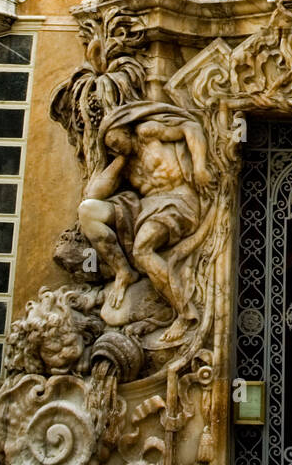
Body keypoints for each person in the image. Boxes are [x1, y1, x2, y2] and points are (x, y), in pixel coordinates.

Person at [78, 104, 211, 347]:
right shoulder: (124, 162)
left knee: (143, 250)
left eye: (115, 139)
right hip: (144, 209)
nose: (113, 146)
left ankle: (185, 313)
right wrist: (119, 158)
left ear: (125, 129)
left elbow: (190, 127)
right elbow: (92, 192)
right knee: (87, 211)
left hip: (179, 201)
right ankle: (123, 271)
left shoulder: (148, 132)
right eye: (109, 145)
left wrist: (200, 166)